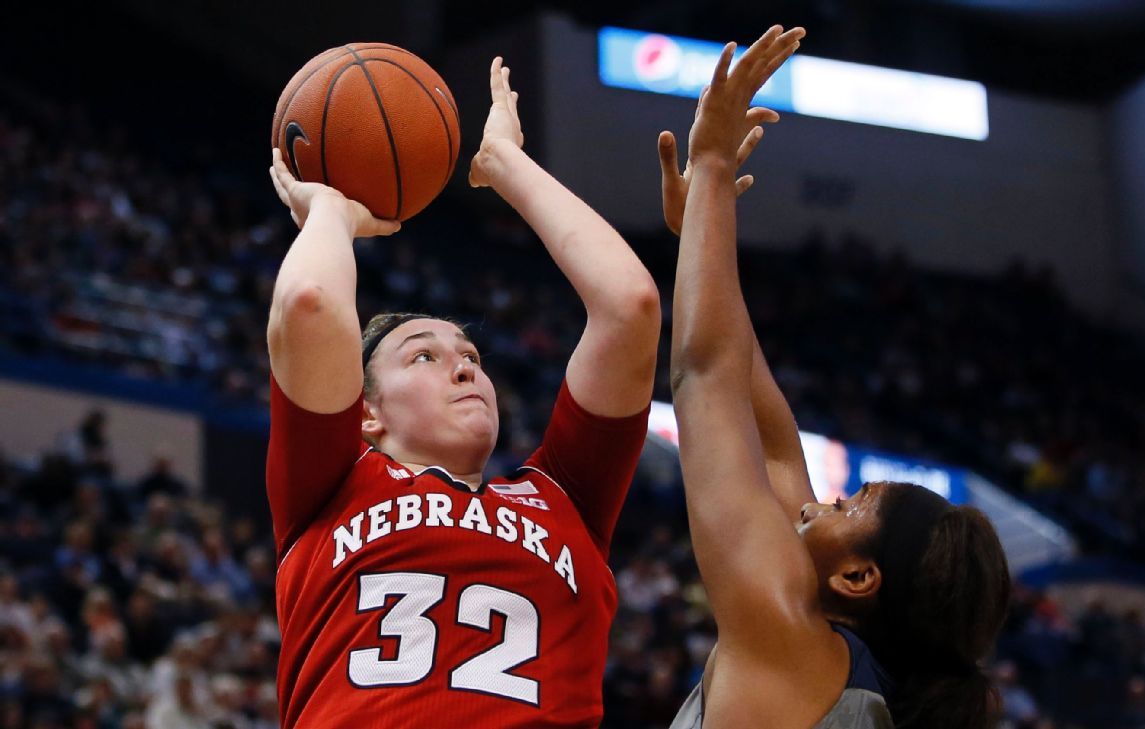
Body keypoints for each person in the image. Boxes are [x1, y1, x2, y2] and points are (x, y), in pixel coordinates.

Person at [264, 56, 659, 728]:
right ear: (366, 413)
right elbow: (308, 302)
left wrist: (506, 163)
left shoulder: (563, 495)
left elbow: (630, 304)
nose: (465, 368)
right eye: (424, 355)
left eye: (471, 355)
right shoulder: (331, 483)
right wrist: (329, 209)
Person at [661, 26, 1013, 728]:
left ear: (858, 576)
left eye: (849, 505)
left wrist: (710, 167)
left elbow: (704, 376)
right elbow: (773, 443)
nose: (821, 501)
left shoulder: (789, 639)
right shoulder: (842, 667)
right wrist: (702, 225)